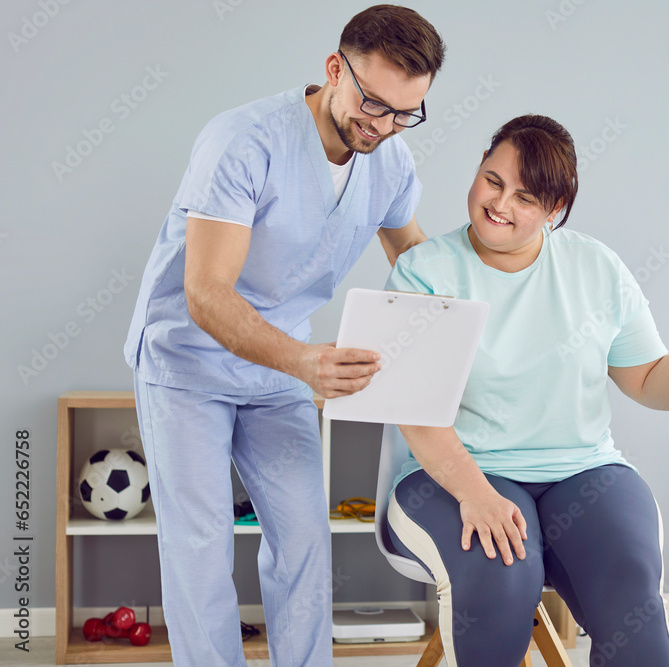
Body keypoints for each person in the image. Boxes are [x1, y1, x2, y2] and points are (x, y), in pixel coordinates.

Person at [383, 115, 669, 666]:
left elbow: (645, 375)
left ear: (555, 210)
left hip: (583, 471)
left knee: (629, 580)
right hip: (455, 474)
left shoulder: (595, 267)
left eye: (526, 197)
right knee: (501, 575)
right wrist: (477, 495)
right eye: (492, 181)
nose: (500, 204)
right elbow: (417, 411)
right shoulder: (424, 272)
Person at [122, 6, 445, 666]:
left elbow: (416, 264)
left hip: (280, 372)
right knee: (201, 548)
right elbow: (206, 293)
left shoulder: (390, 159)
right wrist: (304, 360)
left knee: (303, 540)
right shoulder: (242, 141)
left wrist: (466, 321)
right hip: (188, 362)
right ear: (335, 69)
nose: (381, 126)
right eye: (373, 102)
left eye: (403, 113)